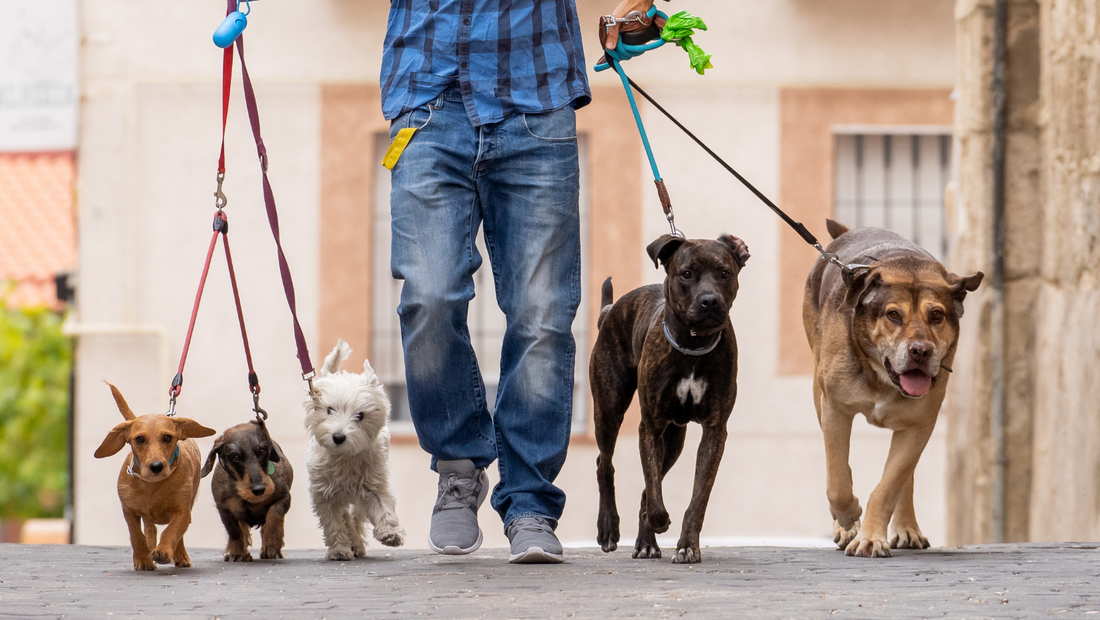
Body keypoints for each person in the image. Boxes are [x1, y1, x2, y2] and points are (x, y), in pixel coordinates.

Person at [380, 0, 659, 564]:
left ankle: (530, 501)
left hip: (535, 102)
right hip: (427, 105)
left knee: (542, 315)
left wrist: (638, 8)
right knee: (428, 296)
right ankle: (459, 467)